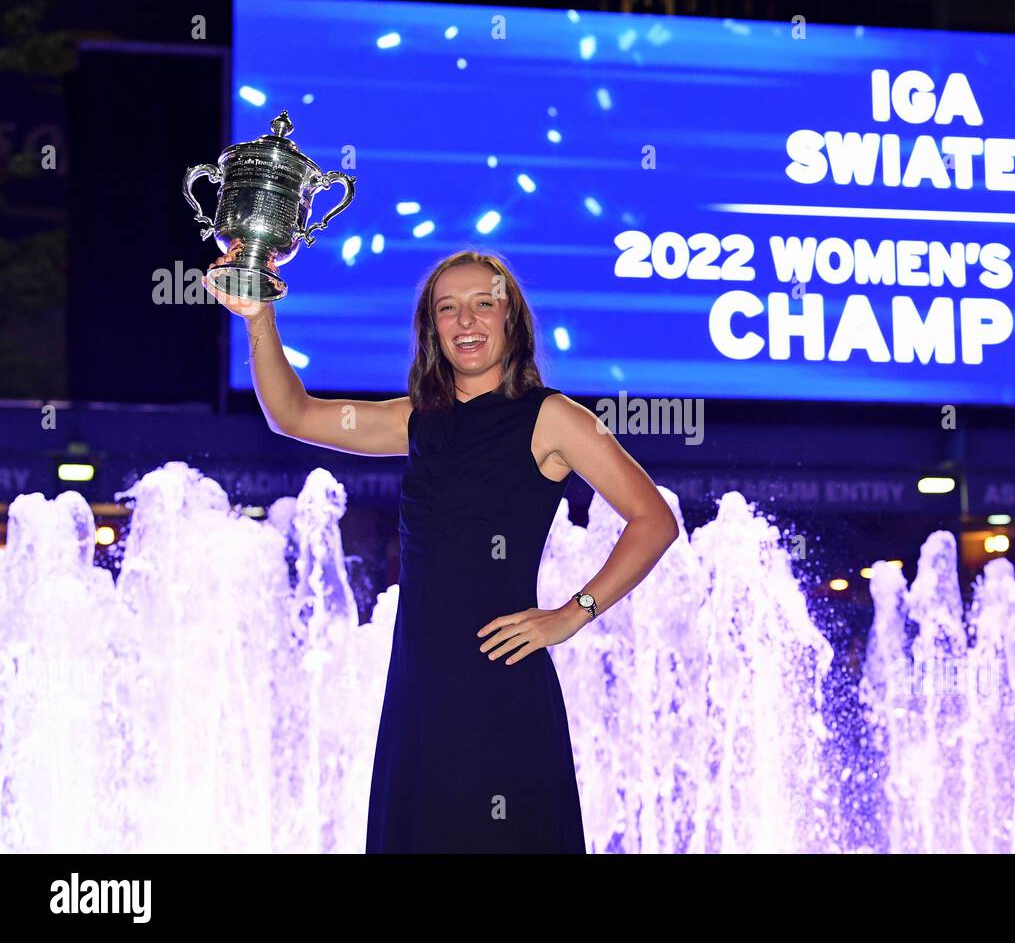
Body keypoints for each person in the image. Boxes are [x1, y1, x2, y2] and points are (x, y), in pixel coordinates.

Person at [204, 244, 680, 852]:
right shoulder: (416, 421)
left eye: (484, 304)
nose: (466, 321)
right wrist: (259, 318)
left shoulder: (552, 418)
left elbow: (654, 520)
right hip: (419, 689)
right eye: (447, 308)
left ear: (512, 321)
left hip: (500, 686)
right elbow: (291, 415)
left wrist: (572, 614)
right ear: (432, 328)